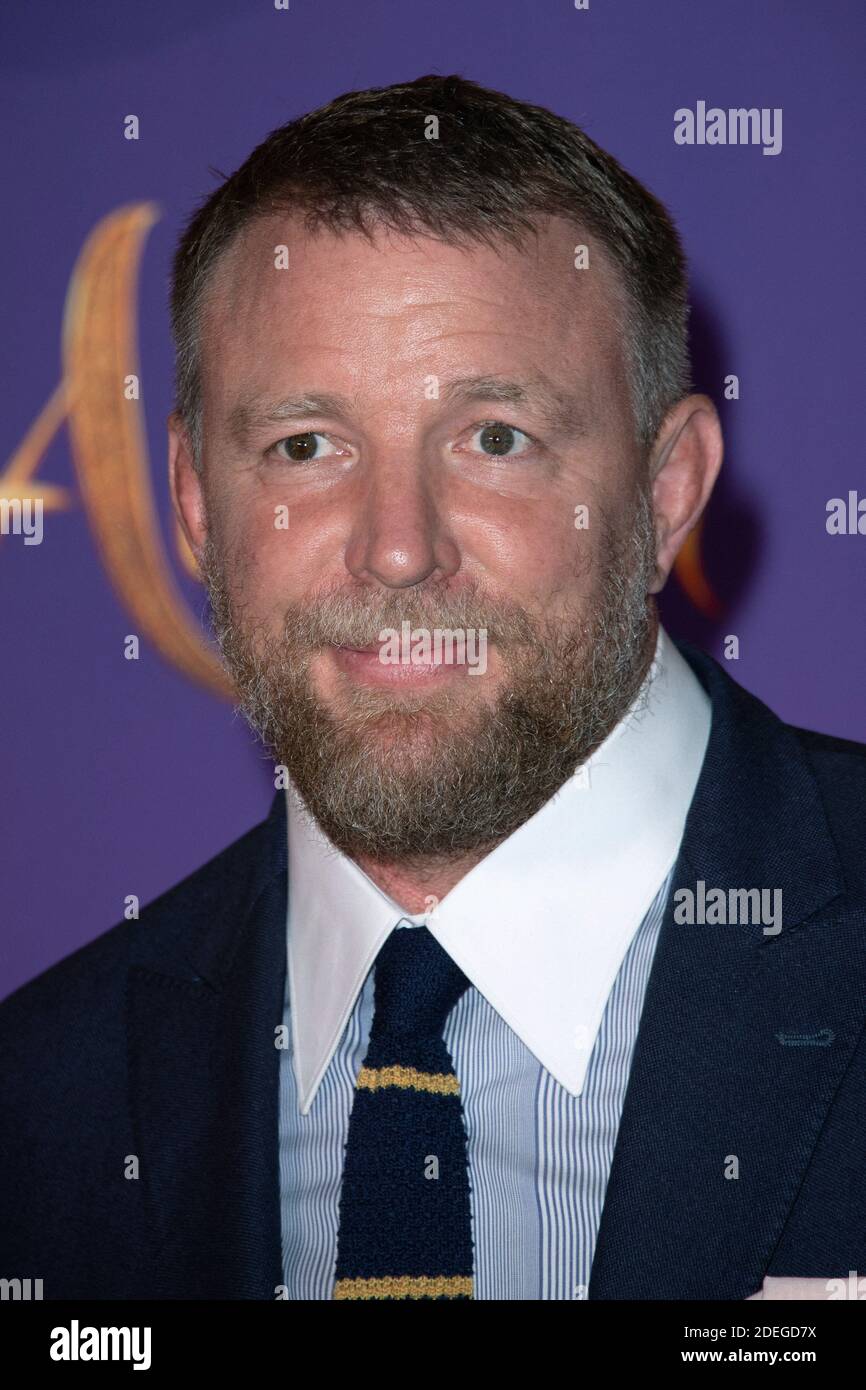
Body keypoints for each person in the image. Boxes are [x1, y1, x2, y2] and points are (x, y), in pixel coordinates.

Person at [2, 73, 865, 1302]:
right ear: (195, 505)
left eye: (494, 438)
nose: (396, 547)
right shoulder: (39, 1107)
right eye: (305, 446)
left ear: (667, 489)